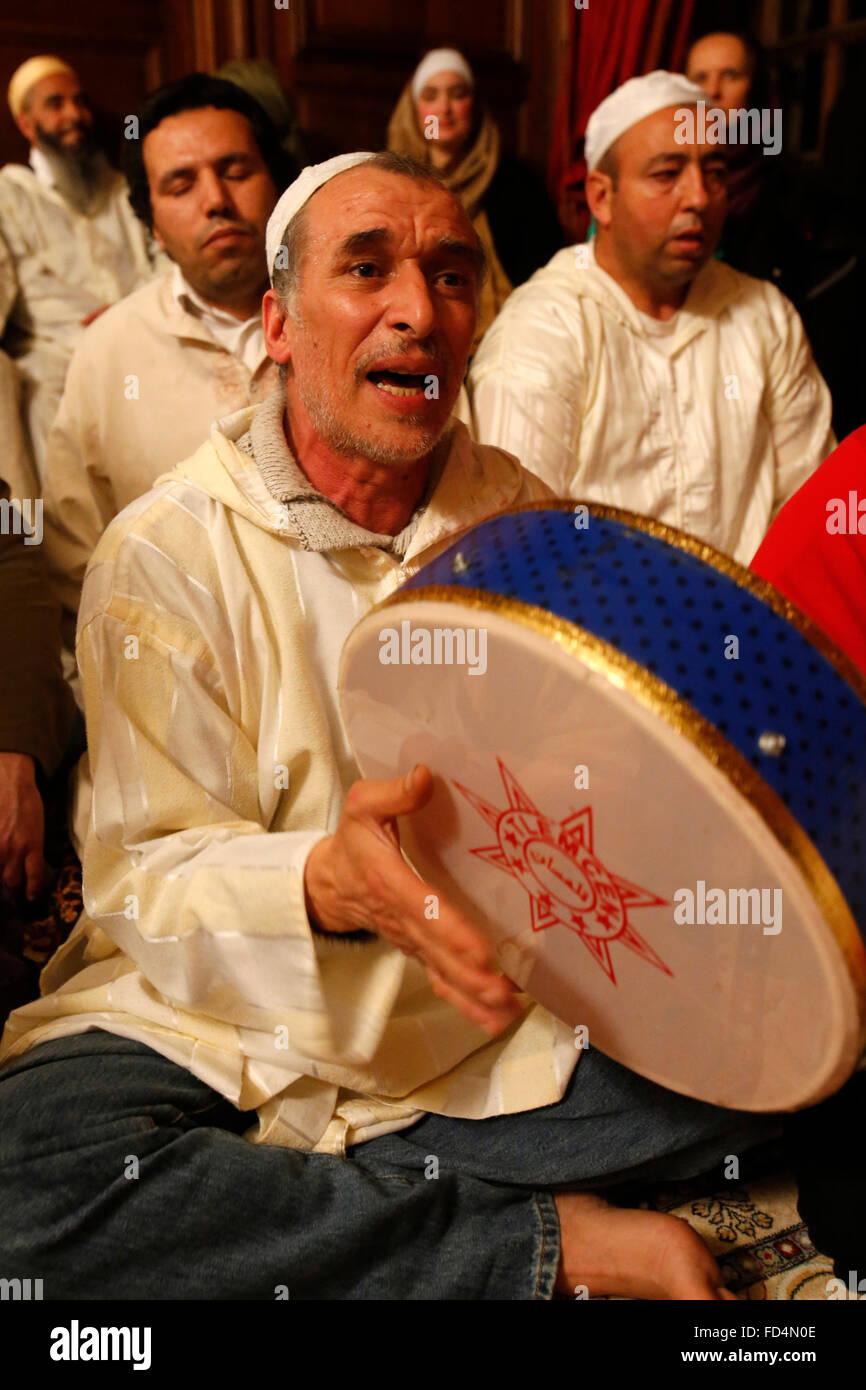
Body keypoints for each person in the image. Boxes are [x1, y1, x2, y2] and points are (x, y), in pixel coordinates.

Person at [0, 151, 785, 1302]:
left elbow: (590, 807)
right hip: (222, 1025)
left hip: (489, 1025)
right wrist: (322, 879)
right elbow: (141, 880)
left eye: (453, 277)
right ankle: (543, 1242)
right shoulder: (163, 554)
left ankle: (309, 1214)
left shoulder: (531, 530)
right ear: (276, 323)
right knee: (31, 1178)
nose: (419, 311)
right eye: (366, 270)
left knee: (801, 1049)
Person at [469, 71, 835, 566]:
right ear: (602, 197)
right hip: (585, 636)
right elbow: (514, 551)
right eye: (667, 174)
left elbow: (811, 511)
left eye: (716, 172)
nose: (700, 198)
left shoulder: (765, 315)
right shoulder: (544, 329)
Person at [40, 74, 294, 678]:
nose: (216, 200)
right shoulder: (109, 352)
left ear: (277, 183)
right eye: (181, 184)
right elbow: (75, 562)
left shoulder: (350, 318)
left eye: (236, 171)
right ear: (150, 224)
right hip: (173, 688)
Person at [0, 56, 158, 479]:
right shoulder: (11, 193)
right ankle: (39, 543)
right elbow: (21, 290)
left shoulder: (125, 190)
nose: (75, 115)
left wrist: (125, 318)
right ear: (26, 124)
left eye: (80, 102)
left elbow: (165, 264)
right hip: (55, 357)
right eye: (56, 104)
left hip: (142, 340)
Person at [388, 47, 561, 348]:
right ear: (413, 109)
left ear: (475, 105)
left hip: (512, 350)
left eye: (457, 94)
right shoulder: (391, 184)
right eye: (431, 96)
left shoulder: (516, 183)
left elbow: (549, 281)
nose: (445, 108)